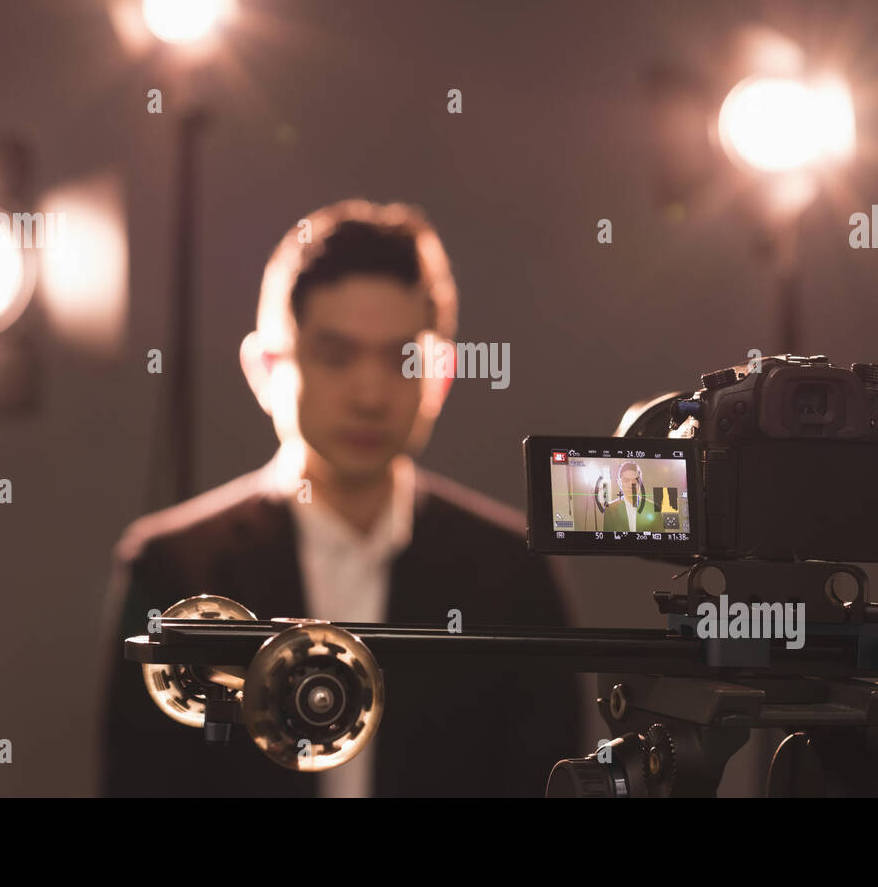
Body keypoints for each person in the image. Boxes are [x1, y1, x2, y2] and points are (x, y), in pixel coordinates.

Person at [97, 199, 582, 796]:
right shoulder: (172, 569)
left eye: (401, 358)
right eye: (335, 355)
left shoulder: (514, 576)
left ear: (442, 373)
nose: (371, 393)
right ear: (266, 368)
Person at [601, 461, 672, 534]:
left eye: (635, 480)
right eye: (626, 480)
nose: (631, 485)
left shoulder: (653, 508)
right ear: (619, 482)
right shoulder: (610, 509)